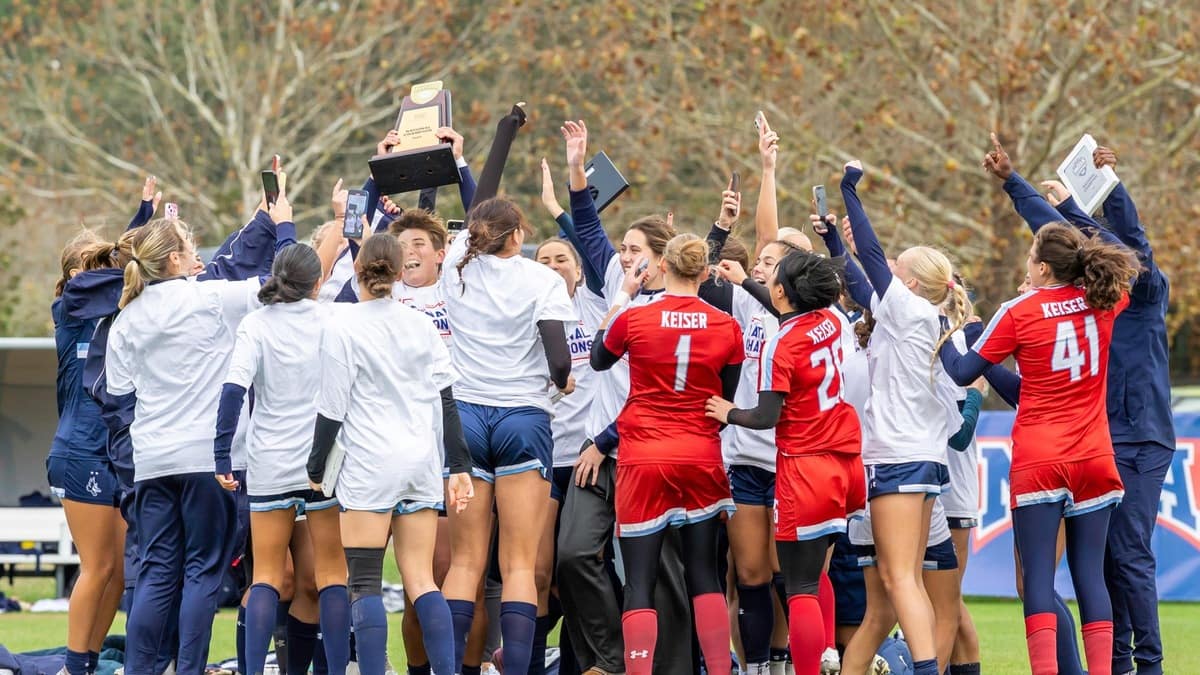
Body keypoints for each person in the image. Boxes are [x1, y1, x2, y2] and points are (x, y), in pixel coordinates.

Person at [938, 134, 1140, 675]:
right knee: (1091, 579)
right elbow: (1117, 256)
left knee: (1039, 586)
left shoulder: (1019, 311)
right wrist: (1077, 216)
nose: (1028, 266)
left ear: (1045, 268)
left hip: (1040, 459)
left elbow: (962, 372)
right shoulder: (1105, 300)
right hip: (1096, 455)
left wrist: (958, 334)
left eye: (1032, 258)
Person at [104, 209, 282, 672]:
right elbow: (283, 285)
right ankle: (188, 668)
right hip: (210, 457)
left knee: (157, 572)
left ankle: (140, 669)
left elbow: (118, 397)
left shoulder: (125, 319)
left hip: (152, 459)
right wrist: (281, 225)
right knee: (203, 572)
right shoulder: (211, 298)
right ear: (179, 259)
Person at [1030, 146, 1173, 675]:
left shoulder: (1148, 291)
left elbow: (1125, 240)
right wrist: (1015, 184)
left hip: (1140, 439)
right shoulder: (1095, 302)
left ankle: (1149, 664)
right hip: (1101, 440)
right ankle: (1114, 663)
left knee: (1131, 554)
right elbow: (1059, 245)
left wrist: (1105, 184)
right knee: (1109, 560)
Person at [304, 234, 474, 675]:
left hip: (368, 465)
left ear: (357, 272)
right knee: (421, 580)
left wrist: (316, 467)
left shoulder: (342, 325)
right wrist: (459, 466)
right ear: (401, 273)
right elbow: (447, 398)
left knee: (364, 583)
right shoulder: (419, 323)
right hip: (419, 461)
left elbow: (332, 408)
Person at [590, 233, 744, 675]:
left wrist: (623, 295)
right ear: (704, 271)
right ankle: (718, 670)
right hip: (699, 454)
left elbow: (600, 359)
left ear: (664, 267)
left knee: (640, 580)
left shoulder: (636, 317)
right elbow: (723, 401)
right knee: (704, 576)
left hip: (644, 455)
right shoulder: (726, 325)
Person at [707, 248, 864, 675]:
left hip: (806, 467)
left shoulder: (781, 341)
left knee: (800, 589)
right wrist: (748, 282)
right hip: (845, 462)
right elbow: (783, 304)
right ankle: (827, 655)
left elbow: (765, 416)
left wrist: (728, 412)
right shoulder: (831, 317)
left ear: (781, 291)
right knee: (814, 578)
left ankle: (811, 667)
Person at [438, 197, 576, 675]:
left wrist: (478, 147)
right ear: (518, 235)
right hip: (523, 417)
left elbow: (476, 202)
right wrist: (563, 383)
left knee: (465, 563)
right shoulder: (543, 280)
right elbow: (560, 360)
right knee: (519, 564)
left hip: (465, 417)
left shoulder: (456, 265)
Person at [210, 243, 350, 675]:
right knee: (330, 575)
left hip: (269, 460)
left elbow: (233, 390)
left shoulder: (255, 323)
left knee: (267, 575)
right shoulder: (333, 319)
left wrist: (221, 455)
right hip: (320, 461)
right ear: (319, 282)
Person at [49, 229, 125, 675]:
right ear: (77, 274)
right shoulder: (70, 308)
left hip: (110, 454)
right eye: (94, 265)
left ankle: (88, 662)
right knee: (96, 567)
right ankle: (73, 667)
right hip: (79, 453)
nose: (106, 273)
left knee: (117, 574)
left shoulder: (111, 314)